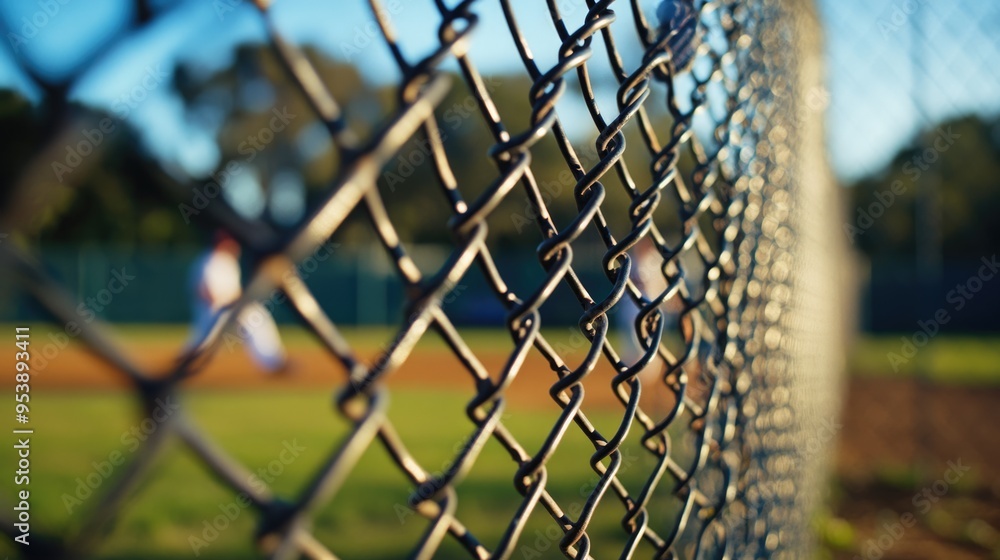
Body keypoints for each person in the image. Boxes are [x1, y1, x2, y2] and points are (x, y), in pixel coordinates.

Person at [186, 230, 291, 374]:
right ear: (222, 241)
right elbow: (204, 291)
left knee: (257, 316)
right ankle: (186, 361)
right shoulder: (209, 260)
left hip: (233, 308)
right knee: (203, 344)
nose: (235, 244)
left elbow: (235, 290)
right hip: (214, 311)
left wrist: (242, 299)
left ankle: (273, 362)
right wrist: (228, 301)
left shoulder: (229, 261)